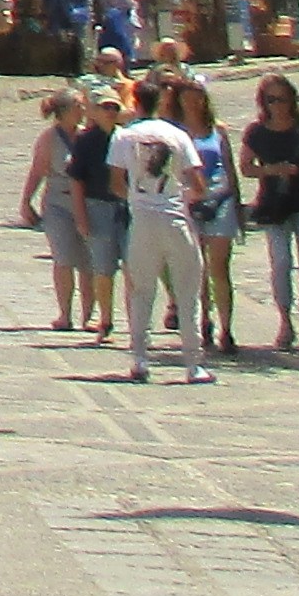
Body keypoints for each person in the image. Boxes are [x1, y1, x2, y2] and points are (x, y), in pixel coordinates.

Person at [112, 85, 208, 382]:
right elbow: (198, 183)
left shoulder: (123, 136)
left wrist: (134, 199)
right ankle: (194, 364)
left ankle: (140, 359)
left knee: (141, 291)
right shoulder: (178, 135)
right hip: (175, 217)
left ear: (135, 101)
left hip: (141, 219)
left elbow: (115, 181)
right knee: (188, 291)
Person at [241, 71, 299, 352]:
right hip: (273, 205)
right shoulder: (256, 132)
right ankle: (285, 322)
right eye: (270, 100)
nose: (277, 105)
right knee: (280, 263)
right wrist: (272, 169)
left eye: (281, 98)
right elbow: (246, 167)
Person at [175, 76, 240, 355]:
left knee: (220, 268)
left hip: (219, 198)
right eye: (187, 96)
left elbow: (229, 167)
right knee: (197, 269)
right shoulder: (175, 133)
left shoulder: (218, 131)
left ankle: (227, 328)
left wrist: (238, 203)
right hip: (189, 201)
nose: (192, 102)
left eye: (197, 96)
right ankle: (204, 321)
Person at [20, 87, 89, 329]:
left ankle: (89, 317)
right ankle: (65, 314)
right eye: (78, 105)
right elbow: (37, 170)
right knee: (63, 257)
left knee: (87, 261)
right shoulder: (49, 139)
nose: (83, 110)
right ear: (64, 111)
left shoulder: (87, 135)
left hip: (87, 203)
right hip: (58, 202)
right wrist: (26, 200)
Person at [67, 87, 130, 342]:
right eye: (105, 107)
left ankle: (137, 321)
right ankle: (105, 320)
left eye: (114, 107)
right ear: (94, 111)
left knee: (133, 266)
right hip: (97, 206)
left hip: (126, 208)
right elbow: (76, 180)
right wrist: (81, 217)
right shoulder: (86, 141)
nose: (110, 112)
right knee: (103, 269)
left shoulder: (126, 138)